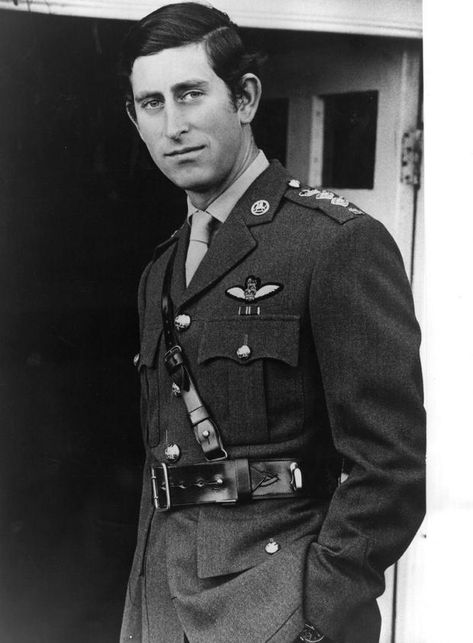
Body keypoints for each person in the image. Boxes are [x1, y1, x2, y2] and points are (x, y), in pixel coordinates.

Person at [118, 3, 425, 642]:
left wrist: (315, 611)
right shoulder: (162, 271)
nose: (173, 125)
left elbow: (390, 468)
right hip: (164, 603)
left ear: (246, 98)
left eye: (190, 94)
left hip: (279, 606)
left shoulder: (335, 244)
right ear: (135, 119)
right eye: (151, 104)